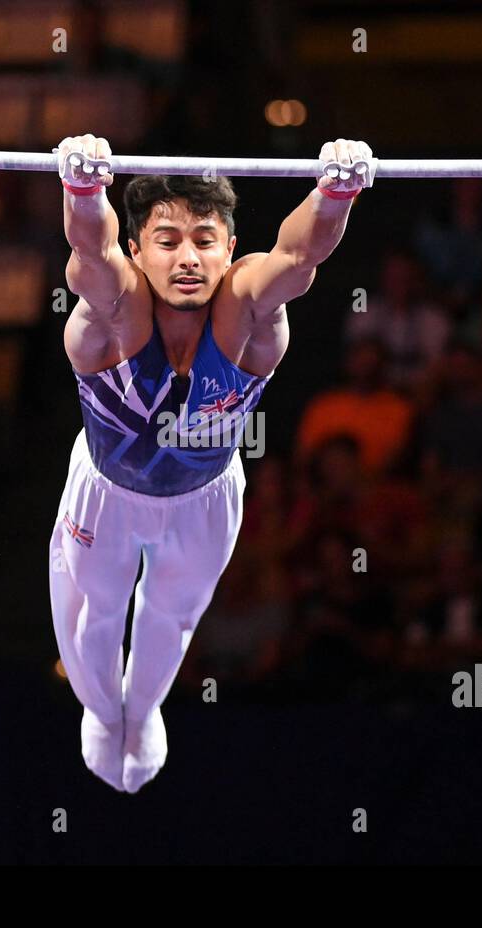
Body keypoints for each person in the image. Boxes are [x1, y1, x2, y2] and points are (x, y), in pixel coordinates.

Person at [48, 131, 373, 792]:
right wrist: (81, 188)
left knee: (173, 615)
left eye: (205, 240)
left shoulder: (249, 310)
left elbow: (298, 252)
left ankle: (143, 712)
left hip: (204, 497)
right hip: (107, 493)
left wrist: (335, 191)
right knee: (97, 613)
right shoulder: (113, 309)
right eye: (167, 242)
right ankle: (104, 713)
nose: (188, 258)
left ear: (230, 248)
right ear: (139, 250)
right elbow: (90, 248)